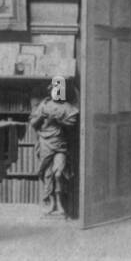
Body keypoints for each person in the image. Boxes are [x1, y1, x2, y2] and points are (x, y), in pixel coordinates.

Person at [29, 77, 79, 217]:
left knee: (59, 173)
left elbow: (73, 123)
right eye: (54, 89)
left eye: (59, 90)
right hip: (45, 143)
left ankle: (60, 202)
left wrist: (58, 120)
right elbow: (33, 124)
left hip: (61, 145)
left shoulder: (68, 107)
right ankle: (51, 203)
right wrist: (41, 117)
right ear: (50, 90)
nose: (56, 92)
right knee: (47, 174)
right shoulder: (44, 105)